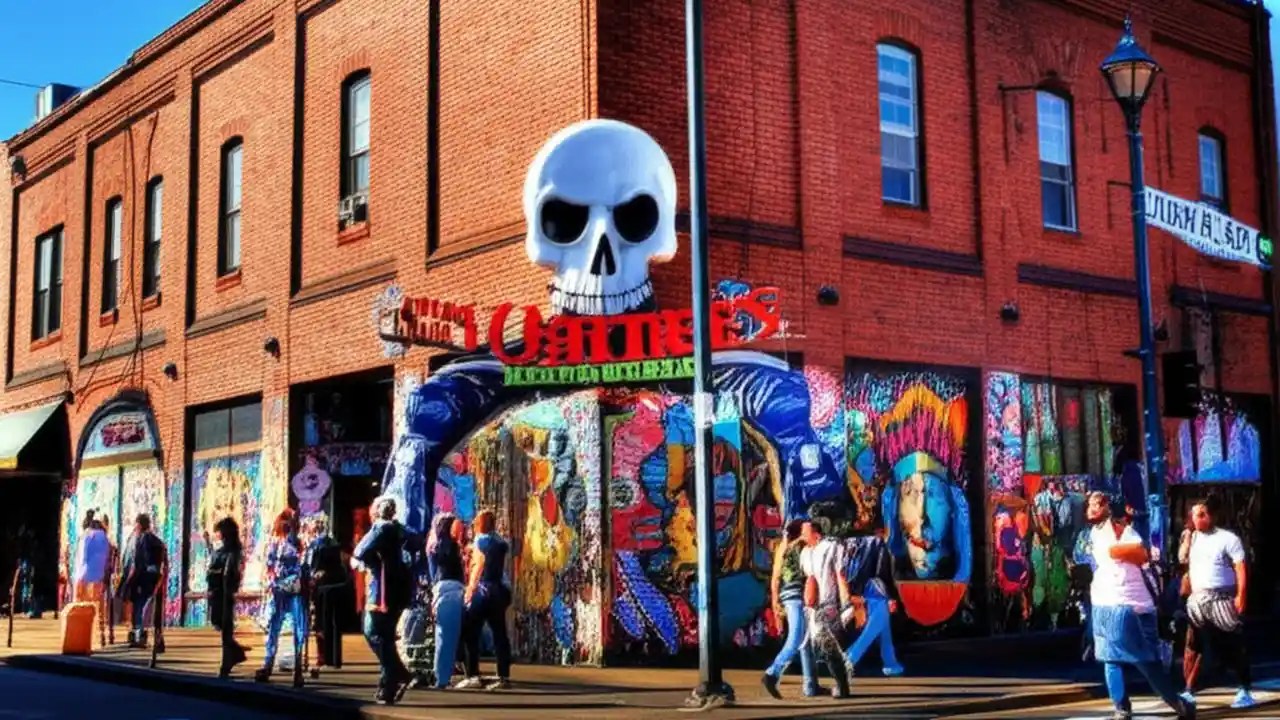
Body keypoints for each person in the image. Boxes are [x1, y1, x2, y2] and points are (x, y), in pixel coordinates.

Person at [1086, 492, 1193, 720]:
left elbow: (1140, 554)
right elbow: (1139, 554)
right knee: (1121, 660)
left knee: (1129, 660)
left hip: (1128, 607)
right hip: (1114, 605)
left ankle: (1130, 708)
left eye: (1096, 504)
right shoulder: (1098, 533)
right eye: (1090, 505)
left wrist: (1114, 551)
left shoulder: (1123, 532)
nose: (1091, 508)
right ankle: (1133, 707)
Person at [1181, 499, 1254, 710]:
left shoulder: (1227, 539)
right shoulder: (1191, 538)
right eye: (1194, 514)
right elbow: (1183, 563)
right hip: (1198, 598)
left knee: (1233, 644)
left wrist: (1241, 595)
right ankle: (1189, 689)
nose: (1197, 518)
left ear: (1212, 516)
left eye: (1202, 514)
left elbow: (1240, 568)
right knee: (1194, 646)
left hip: (1221, 598)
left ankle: (1244, 688)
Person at [353, 495, 413, 705]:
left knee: (373, 633)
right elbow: (416, 542)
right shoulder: (399, 529)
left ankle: (397, 674)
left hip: (381, 590)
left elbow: (360, 551)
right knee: (385, 636)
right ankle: (387, 685)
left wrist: (374, 563)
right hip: (399, 588)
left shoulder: (380, 529)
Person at [762, 519, 819, 699]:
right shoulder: (801, 546)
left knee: (805, 641)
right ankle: (772, 673)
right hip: (796, 595)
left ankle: (811, 685)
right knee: (795, 639)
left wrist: (775, 602)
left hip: (787, 595)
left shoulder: (782, 548)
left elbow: (775, 578)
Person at [457, 509, 513, 691]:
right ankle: (503, 675)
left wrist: (470, 591)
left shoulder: (480, 542)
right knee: (499, 633)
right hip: (499, 591)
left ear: (480, 524)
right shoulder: (500, 542)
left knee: (470, 631)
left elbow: (478, 567)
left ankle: (472, 674)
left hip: (483, 590)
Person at [798, 518, 851, 700]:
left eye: (805, 531)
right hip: (813, 607)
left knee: (830, 646)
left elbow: (840, 574)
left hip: (829, 605)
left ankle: (842, 685)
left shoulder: (830, 547)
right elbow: (809, 579)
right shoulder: (805, 553)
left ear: (816, 533)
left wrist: (846, 603)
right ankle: (837, 684)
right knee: (825, 647)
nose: (802, 535)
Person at [256, 509, 309, 687]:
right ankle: (283, 666)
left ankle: (287, 667)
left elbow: (271, 568)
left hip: (287, 589)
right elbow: (270, 567)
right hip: (287, 589)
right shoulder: (281, 544)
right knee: (281, 627)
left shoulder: (292, 542)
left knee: (285, 628)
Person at [840, 529, 904, 677]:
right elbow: (883, 570)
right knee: (874, 627)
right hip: (875, 588)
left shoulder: (850, 541)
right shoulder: (877, 542)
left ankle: (891, 663)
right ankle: (850, 657)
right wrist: (890, 596)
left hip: (857, 588)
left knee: (883, 627)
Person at [304, 515, 348, 679]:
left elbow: (312, 567)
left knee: (321, 623)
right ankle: (335, 658)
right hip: (336, 585)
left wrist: (311, 579)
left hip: (323, 587)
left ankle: (323, 657)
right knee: (335, 622)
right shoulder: (333, 543)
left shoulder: (317, 545)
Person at [428, 513, 466, 690]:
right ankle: (443, 678)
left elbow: (432, 573)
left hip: (441, 589)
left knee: (443, 636)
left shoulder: (434, 546)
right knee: (450, 637)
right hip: (453, 589)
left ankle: (441, 676)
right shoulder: (453, 546)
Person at [119, 513, 167, 649]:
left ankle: (140, 636)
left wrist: (130, 578)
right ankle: (158, 639)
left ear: (139, 524)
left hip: (143, 576)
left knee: (140, 606)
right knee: (153, 608)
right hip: (155, 576)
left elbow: (137, 560)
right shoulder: (156, 540)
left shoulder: (140, 539)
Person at [207, 516, 247, 678]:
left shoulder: (233, 551)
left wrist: (218, 578)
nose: (218, 535)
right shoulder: (222, 550)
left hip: (223, 592)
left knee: (225, 626)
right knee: (218, 622)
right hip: (216, 591)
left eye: (220, 532)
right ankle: (235, 653)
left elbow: (229, 573)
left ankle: (228, 661)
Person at [72, 511, 110, 646]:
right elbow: (107, 559)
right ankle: (101, 635)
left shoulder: (84, 536)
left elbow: (80, 558)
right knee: (99, 606)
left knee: (79, 605)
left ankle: (79, 634)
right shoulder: (104, 538)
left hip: (81, 575)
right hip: (98, 576)